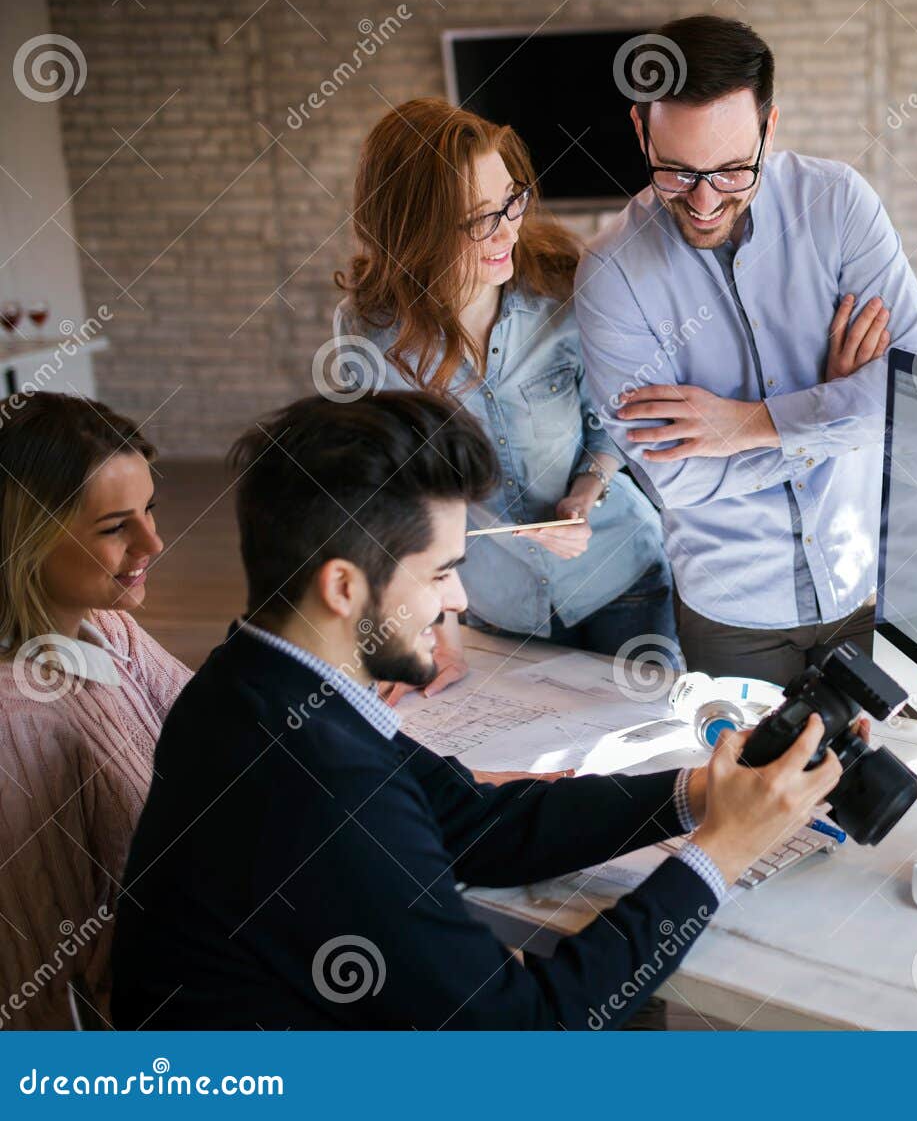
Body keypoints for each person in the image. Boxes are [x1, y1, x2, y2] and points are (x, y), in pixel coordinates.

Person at [110, 390, 843, 1029]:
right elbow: (522, 1035)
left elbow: (471, 820)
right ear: (342, 588)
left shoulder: (253, 680)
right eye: (440, 573)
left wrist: (701, 791)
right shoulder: (317, 779)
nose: (458, 601)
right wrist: (723, 852)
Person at [575, 14, 917, 682]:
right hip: (731, 616)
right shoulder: (611, 273)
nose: (706, 200)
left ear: (769, 129)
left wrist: (743, 424)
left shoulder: (838, 204)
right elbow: (678, 478)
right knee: (752, 787)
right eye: (678, 172)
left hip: (868, 586)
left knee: (883, 780)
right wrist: (835, 413)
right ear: (640, 130)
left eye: (732, 169)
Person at [334, 97, 677, 697]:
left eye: (511, 202)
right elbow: (392, 497)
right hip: (497, 604)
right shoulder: (367, 333)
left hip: (623, 576)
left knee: (647, 761)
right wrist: (440, 631)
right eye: (478, 219)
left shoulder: (564, 281)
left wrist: (583, 495)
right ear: (413, 228)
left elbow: (609, 419)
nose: (508, 231)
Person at [0, 393, 191, 1028]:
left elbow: (229, 740)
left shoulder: (109, 627)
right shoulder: (17, 726)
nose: (154, 542)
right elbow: (43, 997)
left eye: (150, 512)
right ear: (21, 540)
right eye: (116, 528)